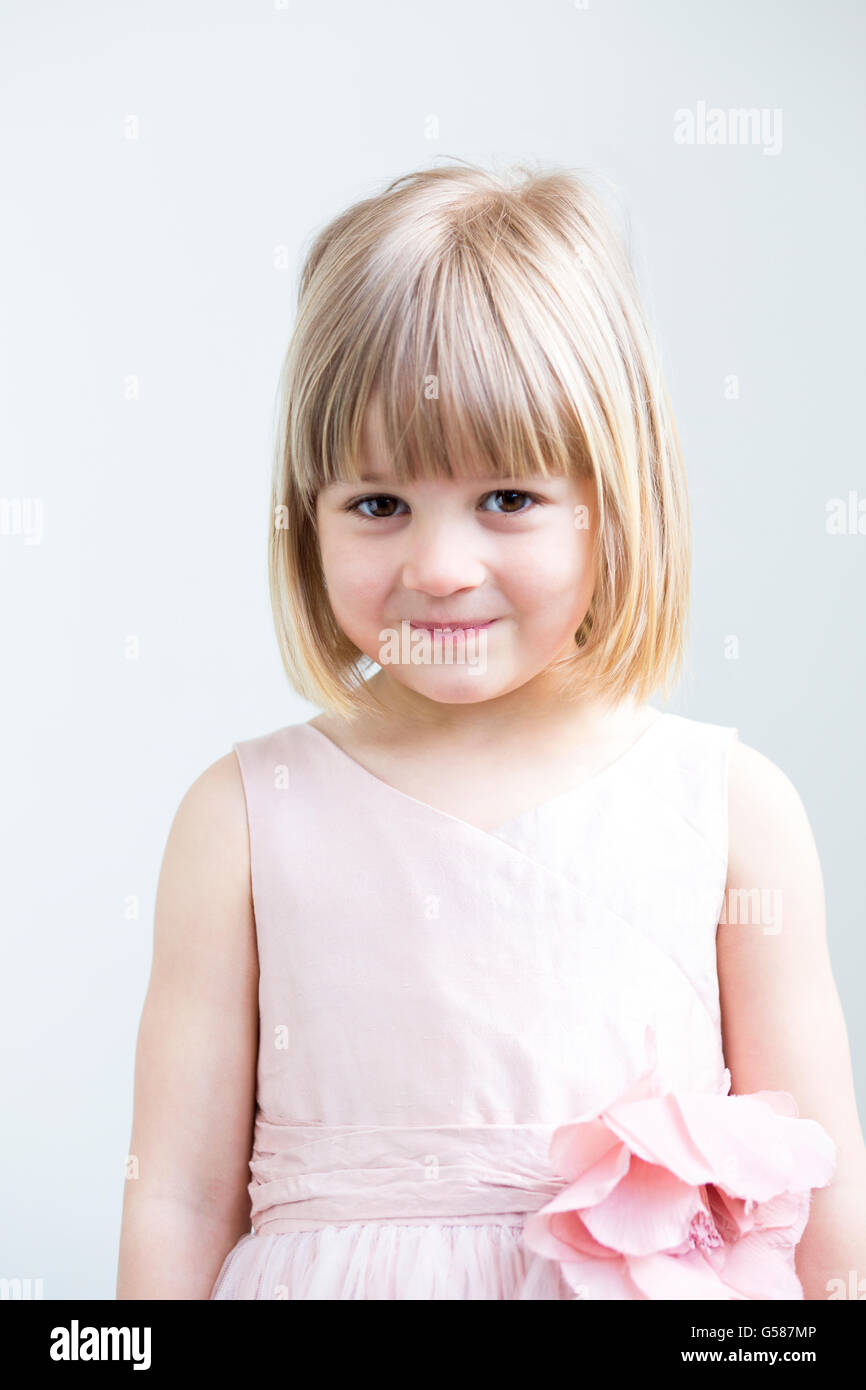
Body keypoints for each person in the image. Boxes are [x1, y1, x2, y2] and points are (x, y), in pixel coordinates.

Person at [116, 162, 866, 1300]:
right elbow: (176, 1195)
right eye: (377, 504)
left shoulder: (729, 808)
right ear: (308, 517)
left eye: (506, 499)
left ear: (613, 501)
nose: (438, 566)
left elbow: (823, 1212)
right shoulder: (244, 819)